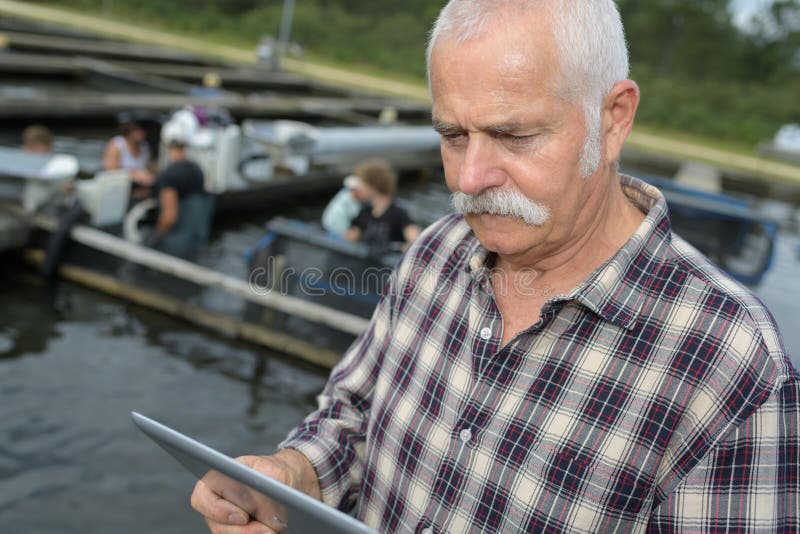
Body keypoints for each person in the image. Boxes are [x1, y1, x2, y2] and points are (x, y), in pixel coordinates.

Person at [192, 1, 799, 532]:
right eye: (453, 135)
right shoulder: (436, 252)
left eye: (514, 135)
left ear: (613, 119)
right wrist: (288, 476)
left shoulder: (733, 371)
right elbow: (351, 418)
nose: (469, 178)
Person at [148, 136, 212, 258]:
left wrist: (156, 236)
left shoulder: (168, 175)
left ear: (168, 149)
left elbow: (170, 216)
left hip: (176, 247)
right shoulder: (197, 169)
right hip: (197, 243)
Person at [343, 158, 420, 252]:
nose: (358, 188)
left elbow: (415, 241)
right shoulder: (364, 212)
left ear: (372, 185)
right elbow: (351, 236)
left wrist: (409, 245)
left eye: (362, 184)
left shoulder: (399, 214)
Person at [103, 119, 154, 197]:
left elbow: (147, 169)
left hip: (138, 188)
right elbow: (110, 170)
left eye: (143, 130)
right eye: (137, 130)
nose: (141, 133)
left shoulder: (144, 147)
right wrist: (134, 175)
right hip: (116, 188)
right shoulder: (117, 144)